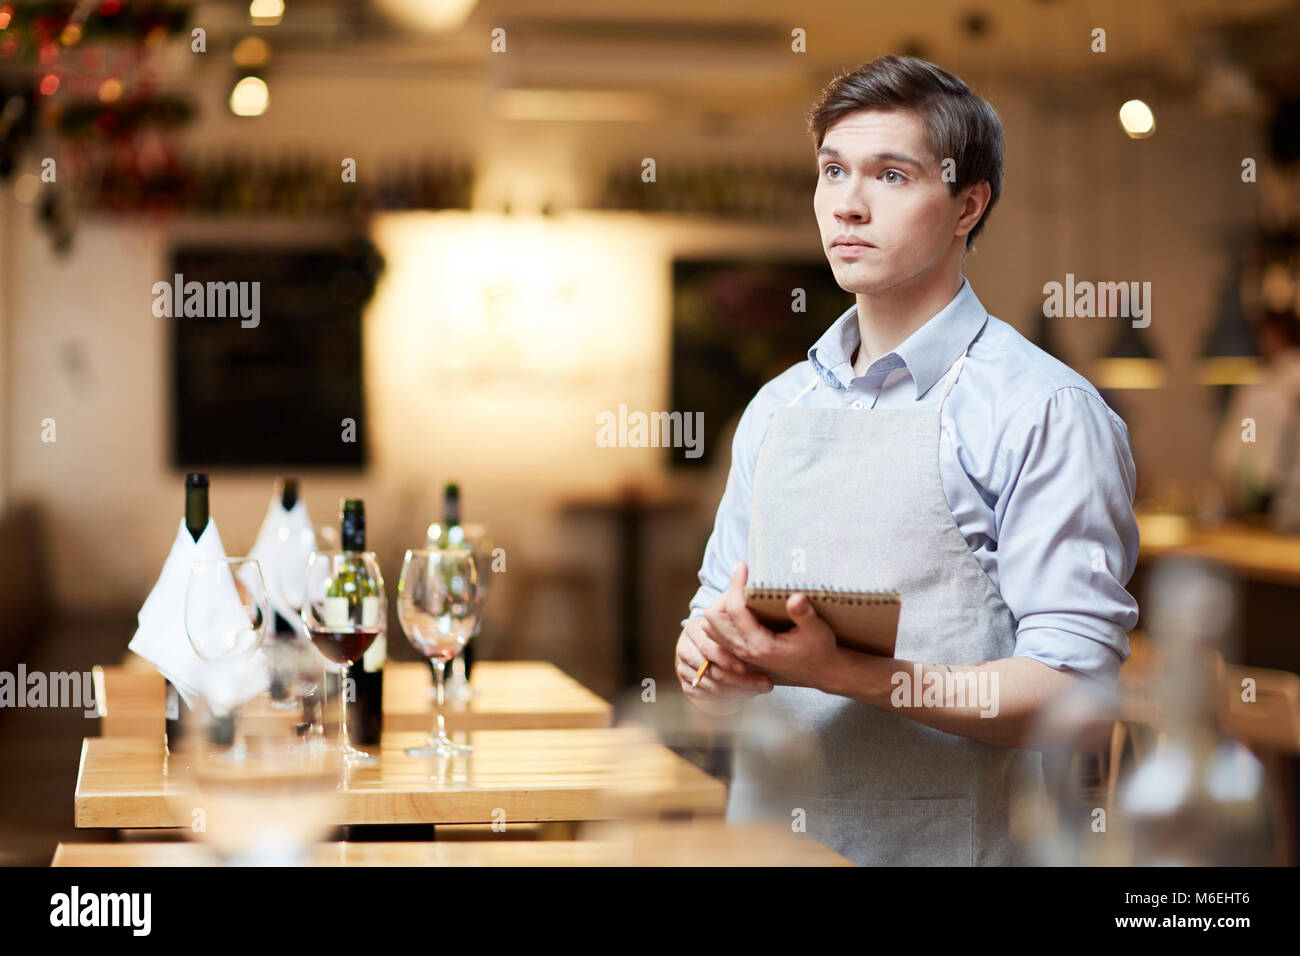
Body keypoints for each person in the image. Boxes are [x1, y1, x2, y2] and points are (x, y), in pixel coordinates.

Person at [675, 56, 1140, 866]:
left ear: (968, 204)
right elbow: (715, 627)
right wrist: (709, 665)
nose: (848, 204)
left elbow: (1077, 693)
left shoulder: (1043, 411)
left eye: (891, 174)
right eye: (832, 171)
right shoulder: (776, 411)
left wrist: (848, 675)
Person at [1211, 311, 1300, 528]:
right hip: (1273, 488)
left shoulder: (1267, 387)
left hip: (1273, 490)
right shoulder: (1265, 383)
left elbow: (1246, 437)